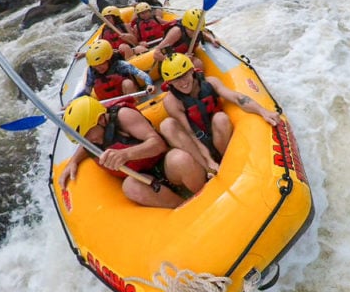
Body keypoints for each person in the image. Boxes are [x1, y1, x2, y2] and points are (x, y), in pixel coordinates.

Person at [57, 96, 207, 208]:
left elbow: (158, 144)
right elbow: (85, 146)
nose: (88, 140)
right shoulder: (92, 140)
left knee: (180, 160)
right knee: (129, 187)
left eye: (88, 134)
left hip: (163, 164)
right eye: (83, 139)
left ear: (102, 120)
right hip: (145, 179)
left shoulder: (124, 116)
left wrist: (126, 154)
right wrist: (73, 161)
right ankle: (185, 208)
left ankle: (206, 196)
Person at [158, 53, 281, 177]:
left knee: (220, 118)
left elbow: (237, 98)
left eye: (184, 75)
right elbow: (190, 134)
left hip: (219, 135)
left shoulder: (210, 82)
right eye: (176, 79)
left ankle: (229, 161)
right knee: (166, 125)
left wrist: (263, 111)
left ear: (191, 71)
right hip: (198, 143)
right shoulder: (172, 102)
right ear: (169, 83)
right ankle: (210, 169)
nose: (182, 82)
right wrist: (209, 161)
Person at [77, 39, 156, 100]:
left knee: (128, 83)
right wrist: (73, 101)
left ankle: (134, 108)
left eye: (101, 64)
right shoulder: (92, 71)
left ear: (109, 59)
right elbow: (87, 91)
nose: (98, 68)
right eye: (95, 66)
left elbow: (143, 75)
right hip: (108, 100)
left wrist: (149, 84)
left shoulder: (120, 65)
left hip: (126, 94)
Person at [150, 8, 218, 66]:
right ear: (185, 26)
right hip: (171, 62)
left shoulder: (197, 29)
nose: (195, 34)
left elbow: (203, 35)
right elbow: (156, 54)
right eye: (191, 30)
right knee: (197, 64)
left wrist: (212, 40)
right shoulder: (176, 32)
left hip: (185, 58)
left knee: (198, 64)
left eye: (197, 31)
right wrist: (180, 60)